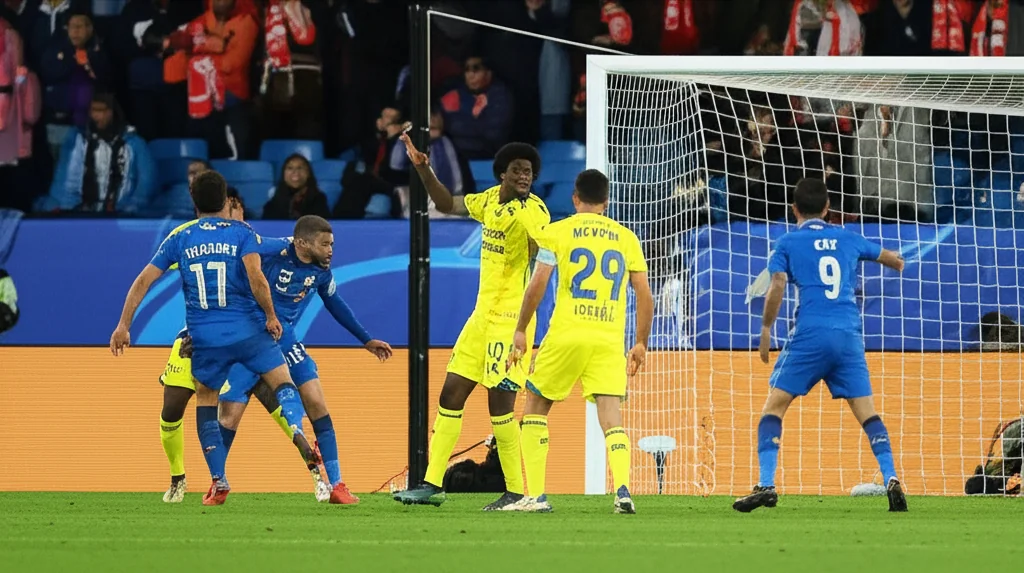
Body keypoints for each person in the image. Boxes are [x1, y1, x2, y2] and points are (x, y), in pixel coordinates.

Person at [109, 170, 316, 506]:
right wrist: (272, 314)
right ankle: (297, 430)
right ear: (225, 201)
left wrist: (123, 325)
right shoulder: (242, 234)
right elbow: (259, 276)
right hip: (244, 331)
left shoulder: (180, 237)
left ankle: (217, 478)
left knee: (203, 401)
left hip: (203, 337)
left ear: (193, 201)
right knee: (278, 381)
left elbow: (143, 281)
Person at [392, 133, 550, 510]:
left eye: (529, 172)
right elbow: (446, 203)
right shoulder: (488, 201)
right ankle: (432, 484)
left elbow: (543, 251)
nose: (524, 177)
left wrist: (523, 328)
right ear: (502, 175)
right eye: (517, 171)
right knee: (450, 394)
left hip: (510, 322)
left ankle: (515, 490)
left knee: (501, 408)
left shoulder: (534, 211)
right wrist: (423, 168)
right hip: (480, 321)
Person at [733, 177, 909, 513]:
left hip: (810, 335)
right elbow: (887, 257)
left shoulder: (787, 242)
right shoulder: (847, 237)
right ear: (828, 209)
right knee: (867, 413)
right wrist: (898, 262)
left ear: (793, 208)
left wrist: (767, 328)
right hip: (848, 337)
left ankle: (766, 484)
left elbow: (778, 282)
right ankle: (891, 477)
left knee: (774, 408)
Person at [218, 215, 394, 505]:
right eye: (324, 244)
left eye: (332, 244)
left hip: (285, 340)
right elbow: (239, 264)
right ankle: (218, 481)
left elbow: (335, 303)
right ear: (301, 242)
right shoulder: (273, 252)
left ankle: (337, 485)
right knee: (229, 415)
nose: (330, 250)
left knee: (317, 402)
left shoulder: (322, 271)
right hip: (252, 338)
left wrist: (366, 339)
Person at [506, 169, 653, 514]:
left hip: (566, 334)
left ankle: (537, 496)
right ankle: (623, 492)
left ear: (574, 198)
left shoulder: (557, 232)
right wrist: (641, 342)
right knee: (611, 417)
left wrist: (520, 329)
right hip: (607, 338)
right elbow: (644, 295)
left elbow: (538, 283)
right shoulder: (626, 237)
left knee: (536, 407)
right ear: (606, 201)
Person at [154, 188, 297, 503]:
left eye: (238, 208)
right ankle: (179, 477)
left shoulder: (252, 242)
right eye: (228, 207)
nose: (233, 213)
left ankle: (317, 468)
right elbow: (157, 269)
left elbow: (286, 256)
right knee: (172, 408)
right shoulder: (186, 236)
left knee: (271, 397)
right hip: (199, 338)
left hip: (244, 338)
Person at [262, 153, 331, 220]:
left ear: (308, 173)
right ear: (283, 173)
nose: (295, 172)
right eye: (290, 168)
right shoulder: (274, 203)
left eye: (300, 168)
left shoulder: (319, 200)